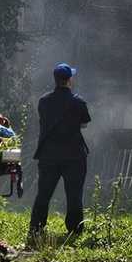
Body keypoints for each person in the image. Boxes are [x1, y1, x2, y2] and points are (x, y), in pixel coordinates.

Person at [27, 62, 91, 246]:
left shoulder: (44, 101)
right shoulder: (78, 102)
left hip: (49, 155)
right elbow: (84, 123)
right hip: (74, 156)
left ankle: (36, 229)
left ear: (55, 80)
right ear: (69, 80)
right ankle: (74, 230)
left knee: (43, 194)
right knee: (74, 194)